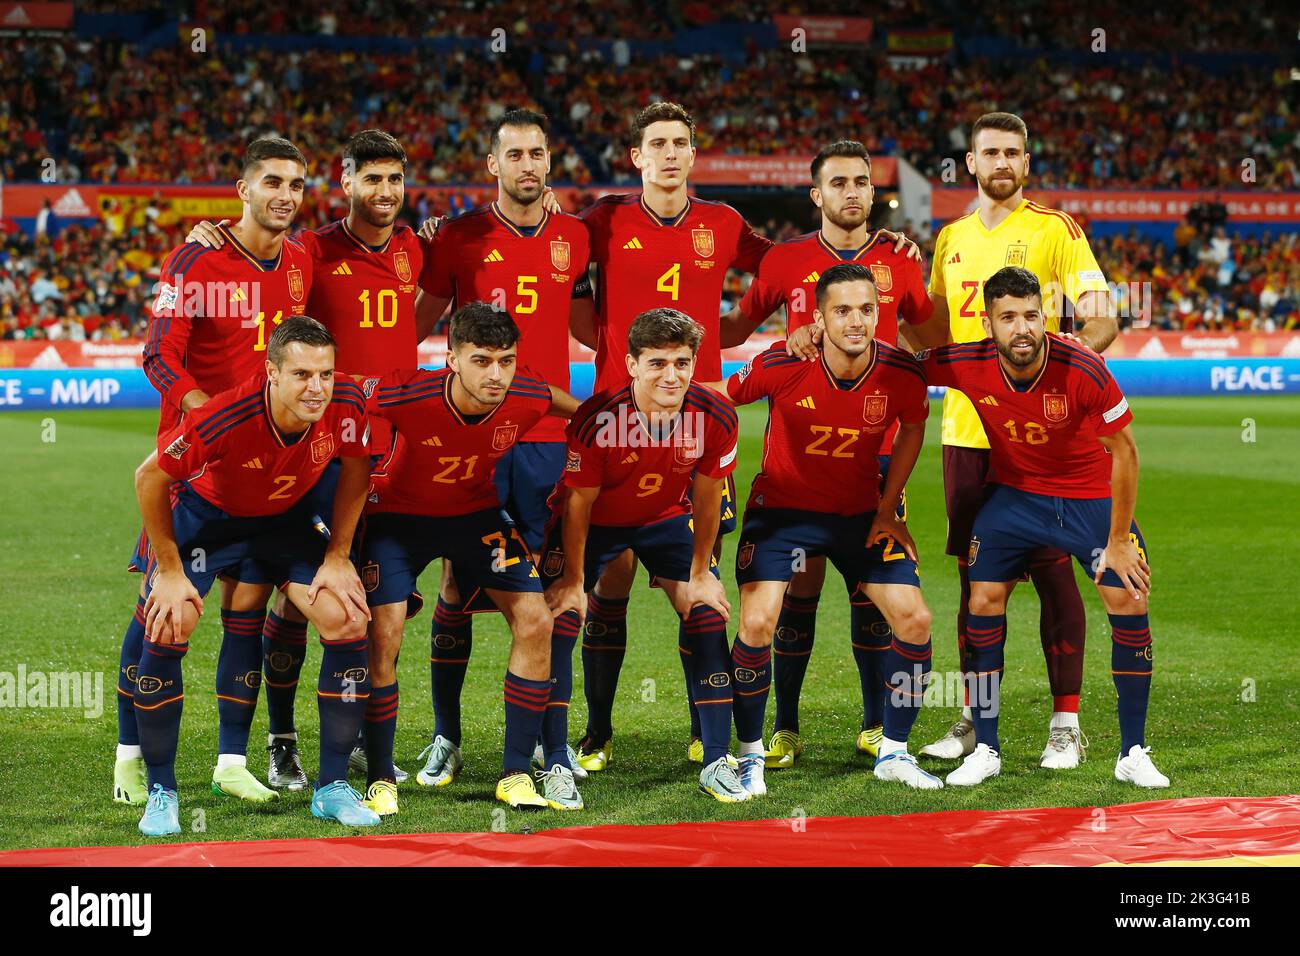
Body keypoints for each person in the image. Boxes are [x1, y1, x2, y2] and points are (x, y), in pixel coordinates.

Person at [720, 139, 935, 767]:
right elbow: (734, 329)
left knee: (873, 599)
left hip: (875, 460)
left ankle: (877, 728)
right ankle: (782, 727)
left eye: (861, 182)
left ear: (875, 192)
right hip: (799, 467)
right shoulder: (786, 261)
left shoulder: (899, 261)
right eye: (837, 182)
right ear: (817, 195)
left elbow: (926, 330)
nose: (851, 192)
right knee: (799, 594)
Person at [115, 136, 314, 807]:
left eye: (296, 184)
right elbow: (157, 358)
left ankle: (232, 759)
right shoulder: (194, 259)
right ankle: (129, 754)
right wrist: (212, 421)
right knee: (163, 615)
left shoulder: (301, 258)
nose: (285, 195)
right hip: (196, 468)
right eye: (273, 182)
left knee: (247, 611)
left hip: (268, 477)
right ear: (243, 189)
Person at [916, 267, 1168, 789]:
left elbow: (1126, 452)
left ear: (1046, 316)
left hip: (1089, 499)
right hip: (1016, 499)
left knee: (1130, 599)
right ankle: (986, 746)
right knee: (981, 598)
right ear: (988, 323)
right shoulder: (968, 362)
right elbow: (899, 365)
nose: (1022, 328)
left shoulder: (1082, 366)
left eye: (1032, 315)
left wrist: (1119, 542)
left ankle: (1133, 752)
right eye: (1008, 318)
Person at [920, 112, 1118, 770]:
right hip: (966, 433)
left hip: (1042, 438)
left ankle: (1066, 723)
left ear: (1026, 162)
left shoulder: (1054, 230)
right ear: (970, 163)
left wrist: (1063, 381)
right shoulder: (948, 238)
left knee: (1053, 568)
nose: (1001, 161)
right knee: (976, 579)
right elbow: (931, 338)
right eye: (989, 152)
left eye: (1013, 151)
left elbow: (1102, 315)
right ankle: (976, 722)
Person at [132, 317, 382, 835]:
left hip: (285, 524)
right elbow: (149, 476)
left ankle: (332, 787)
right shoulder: (225, 416)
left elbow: (357, 467)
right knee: (169, 619)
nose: (317, 387)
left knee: (348, 619)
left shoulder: (351, 404)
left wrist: (338, 556)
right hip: (210, 523)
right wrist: (172, 571)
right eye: (301, 375)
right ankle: (161, 791)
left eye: (325, 374)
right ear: (271, 373)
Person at [411, 109, 593, 789]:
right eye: (513, 154)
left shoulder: (575, 237)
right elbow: (417, 327)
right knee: (457, 587)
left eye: (537, 154)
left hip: (547, 439)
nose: (527, 165)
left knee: (555, 592)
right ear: (492, 165)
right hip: (476, 440)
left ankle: (555, 745)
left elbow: (591, 322)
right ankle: (445, 738)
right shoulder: (455, 236)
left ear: (550, 162)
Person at [356, 302, 579, 813]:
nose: (496, 374)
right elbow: (342, 390)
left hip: (475, 519)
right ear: (452, 357)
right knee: (384, 630)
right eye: (481, 360)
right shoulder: (409, 393)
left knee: (536, 620)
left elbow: (584, 413)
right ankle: (380, 777)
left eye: (506, 360)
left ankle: (516, 775)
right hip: (397, 520)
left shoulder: (528, 393)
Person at [540, 308, 743, 801]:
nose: (671, 375)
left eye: (682, 362)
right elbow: (579, 505)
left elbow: (710, 494)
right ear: (631, 364)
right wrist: (571, 578)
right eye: (657, 363)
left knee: (707, 614)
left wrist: (701, 572)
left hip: (665, 520)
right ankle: (555, 757)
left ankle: (717, 758)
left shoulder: (715, 415)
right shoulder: (596, 419)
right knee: (561, 620)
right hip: (596, 523)